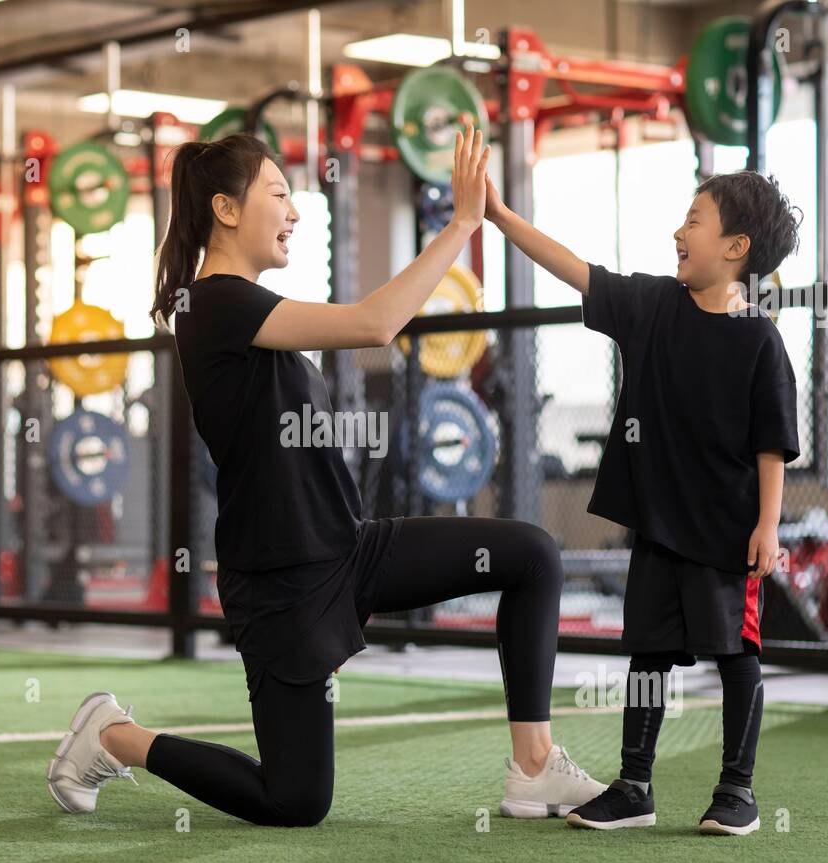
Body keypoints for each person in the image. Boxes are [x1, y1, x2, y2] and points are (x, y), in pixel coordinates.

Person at [45, 126, 608, 826]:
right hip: (283, 578)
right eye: (279, 193)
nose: (295, 211)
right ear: (226, 210)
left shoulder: (253, 311)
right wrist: (464, 222)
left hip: (351, 548)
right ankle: (113, 735)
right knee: (295, 800)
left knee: (530, 556)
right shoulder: (215, 303)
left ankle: (533, 767)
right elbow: (376, 324)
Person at [482, 168, 802, 835]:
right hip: (660, 530)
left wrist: (768, 526)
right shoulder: (653, 306)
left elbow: (773, 446)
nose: (677, 232)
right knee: (649, 654)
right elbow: (576, 269)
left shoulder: (761, 342)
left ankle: (736, 792)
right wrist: (499, 215)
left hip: (728, 535)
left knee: (737, 655)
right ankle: (634, 787)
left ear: (736, 247)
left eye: (694, 220)